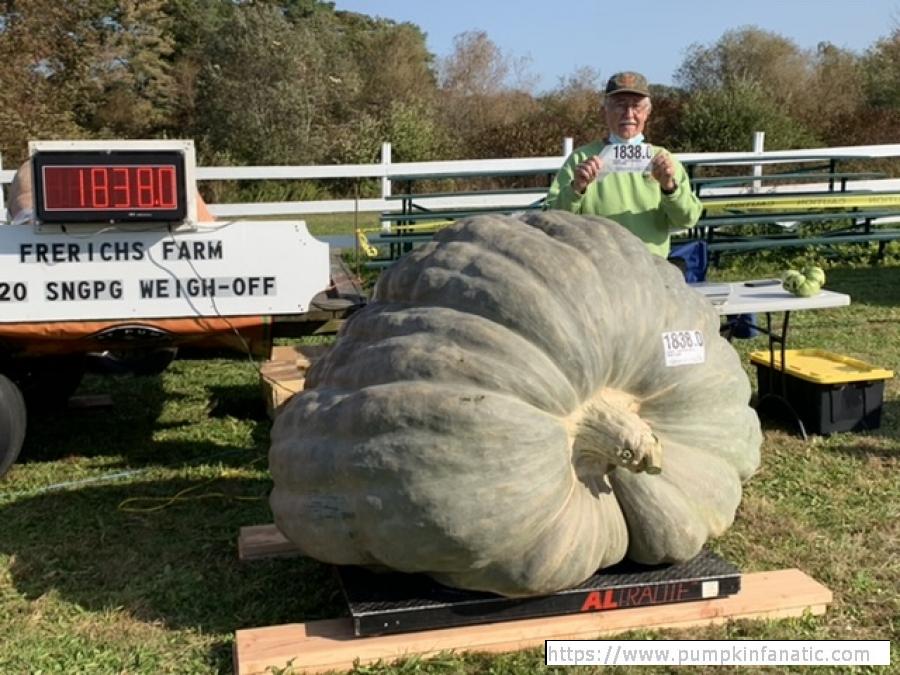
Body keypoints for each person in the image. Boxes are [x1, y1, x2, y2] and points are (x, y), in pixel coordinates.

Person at [546, 71, 702, 258]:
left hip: (652, 270)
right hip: (599, 271)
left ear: (647, 112)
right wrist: (576, 188)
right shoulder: (581, 159)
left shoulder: (663, 159)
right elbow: (550, 220)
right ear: (605, 110)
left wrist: (670, 187)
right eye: (620, 106)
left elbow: (688, 219)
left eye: (636, 106)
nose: (628, 114)